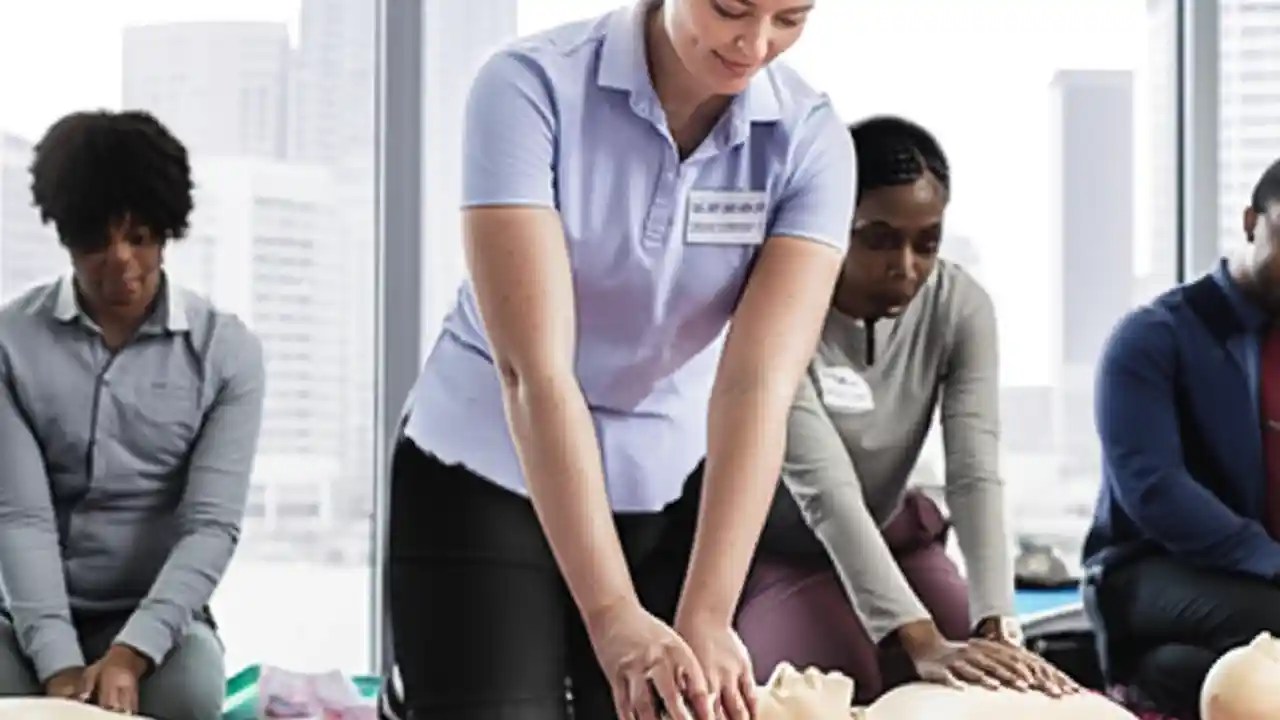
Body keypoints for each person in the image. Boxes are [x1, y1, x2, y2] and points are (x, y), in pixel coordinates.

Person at [388, 0, 854, 718]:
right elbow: (534, 373)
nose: (755, 43)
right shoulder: (528, 86)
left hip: (661, 479)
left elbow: (758, 386)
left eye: (789, 17)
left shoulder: (809, 140)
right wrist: (610, 614)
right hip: (488, 461)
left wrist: (709, 612)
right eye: (731, 8)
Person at [733, 116, 1079, 703]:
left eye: (927, 241)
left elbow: (974, 473)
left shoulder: (960, 306)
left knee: (988, 685)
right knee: (843, 689)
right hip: (782, 551)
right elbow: (827, 492)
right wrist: (918, 638)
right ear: (831, 223)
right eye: (878, 238)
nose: (906, 265)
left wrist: (997, 623)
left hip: (899, 539)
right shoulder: (777, 305)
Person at [0, 110, 266, 720]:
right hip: (23, 616)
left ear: (167, 233)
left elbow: (210, 527)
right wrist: (60, 666)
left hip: (157, 624)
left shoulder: (226, 353)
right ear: (65, 236)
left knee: (191, 696)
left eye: (140, 237)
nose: (120, 260)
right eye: (97, 241)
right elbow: (20, 520)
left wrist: (131, 652)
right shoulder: (9, 344)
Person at [1081, 156, 1280, 720]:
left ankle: (1163, 678)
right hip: (1147, 571)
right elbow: (1154, 490)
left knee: (1191, 673)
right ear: (1251, 222)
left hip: (1245, 588)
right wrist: (1271, 559)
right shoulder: (1152, 337)